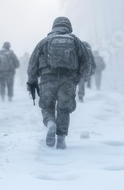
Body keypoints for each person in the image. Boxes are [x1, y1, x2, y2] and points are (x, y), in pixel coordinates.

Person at [27, 17, 92, 149]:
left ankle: (50, 123)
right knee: (64, 109)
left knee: (47, 106)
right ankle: (61, 139)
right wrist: (78, 77)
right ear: (69, 26)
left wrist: (32, 81)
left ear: (54, 26)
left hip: (47, 79)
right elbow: (87, 63)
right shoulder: (75, 41)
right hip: (68, 80)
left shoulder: (44, 42)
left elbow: (32, 64)